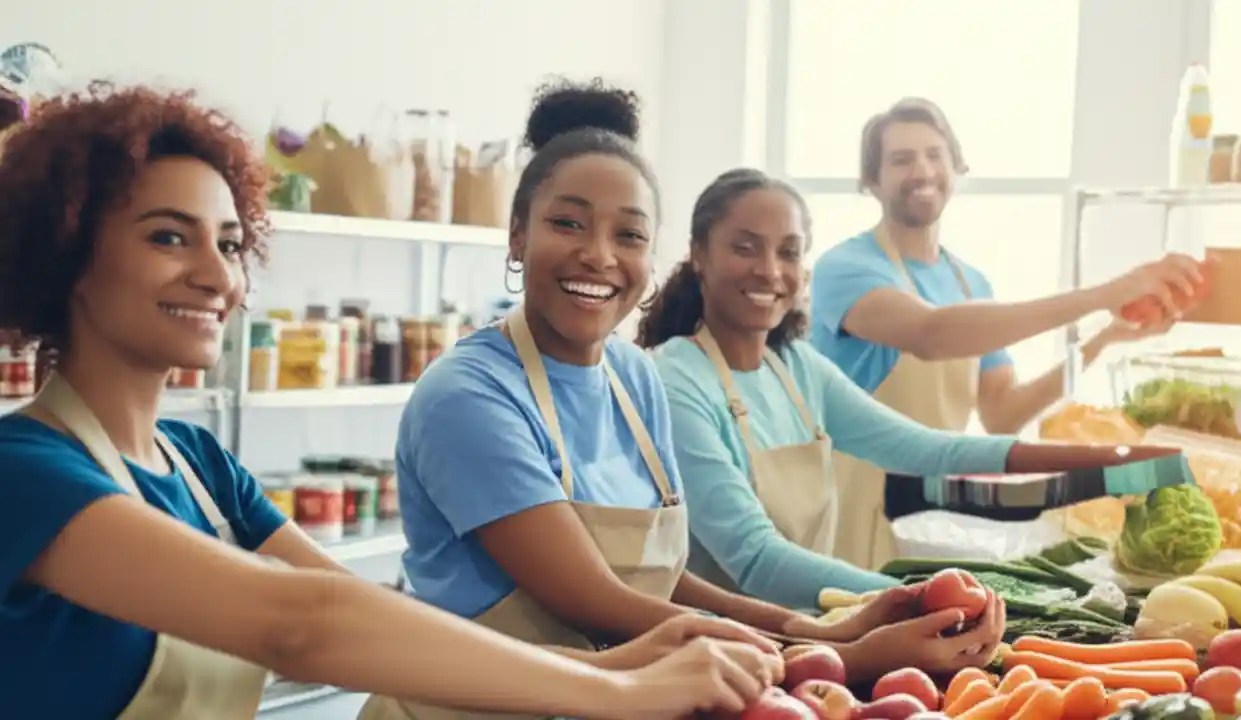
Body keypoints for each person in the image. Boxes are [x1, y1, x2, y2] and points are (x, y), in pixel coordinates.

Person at [0, 82, 785, 720]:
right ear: (68, 250)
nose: (217, 275)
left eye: (231, 244)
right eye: (169, 238)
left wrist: (618, 661)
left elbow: (368, 611)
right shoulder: (24, 470)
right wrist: (615, 687)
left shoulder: (199, 466)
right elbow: (299, 622)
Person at [385, 79, 1009, 715]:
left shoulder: (633, 379)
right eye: (568, 223)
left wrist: (820, 629)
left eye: (628, 236)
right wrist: (841, 656)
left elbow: (660, 580)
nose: (598, 255)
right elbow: (598, 603)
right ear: (517, 236)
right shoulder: (468, 398)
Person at [635, 168, 1178, 607]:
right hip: (713, 648)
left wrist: (1112, 462)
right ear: (699, 255)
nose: (769, 270)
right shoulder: (674, 380)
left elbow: (931, 449)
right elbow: (754, 558)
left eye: (789, 252)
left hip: (812, 636)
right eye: (745, 248)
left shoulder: (794, 368)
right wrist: (929, 599)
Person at [809, 97, 1205, 438]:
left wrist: (1104, 338)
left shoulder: (970, 284)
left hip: (931, 511)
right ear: (872, 183)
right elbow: (930, 334)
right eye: (901, 160)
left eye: (935, 155)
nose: (923, 171)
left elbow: (1003, 415)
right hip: (850, 509)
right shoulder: (845, 269)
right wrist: (1101, 296)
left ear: (957, 169)